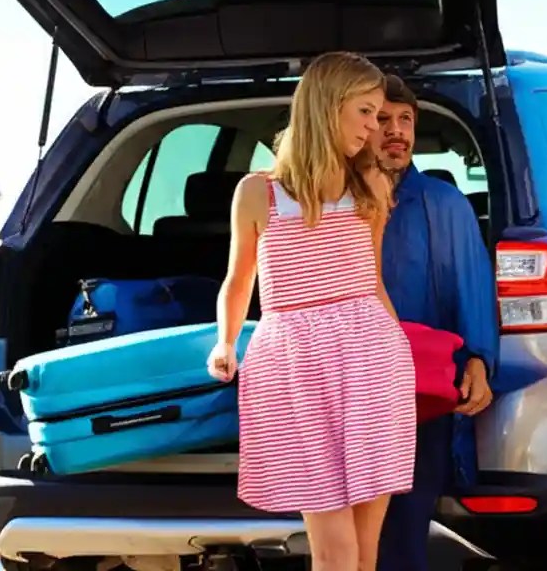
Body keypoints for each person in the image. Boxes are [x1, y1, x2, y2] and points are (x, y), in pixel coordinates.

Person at [207, 51, 418, 571]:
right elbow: (240, 281)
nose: (375, 128)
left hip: (371, 360)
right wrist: (225, 342)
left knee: (365, 551)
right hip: (295, 369)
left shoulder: (369, 185)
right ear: (328, 106)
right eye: (366, 111)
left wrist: (401, 353)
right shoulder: (258, 193)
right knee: (336, 548)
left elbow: (373, 283)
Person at [372, 75, 499, 571]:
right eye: (382, 119)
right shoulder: (333, 201)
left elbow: (471, 288)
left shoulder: (444, 204)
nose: (396, 132)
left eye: (405, 120)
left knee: (403, 536)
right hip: (342, 389)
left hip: (420, 393)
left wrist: (478, 362)